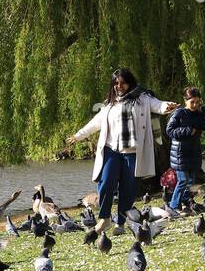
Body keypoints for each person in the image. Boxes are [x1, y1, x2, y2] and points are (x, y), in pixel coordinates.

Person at [66, 68, 179, 233]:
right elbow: (96, 122)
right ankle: (104, 218)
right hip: (112, 150)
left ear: (130, 82)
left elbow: (158, 105)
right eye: (115, 83)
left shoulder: (143, 98)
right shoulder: (110, 103)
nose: (119, 86)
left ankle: (120, 222)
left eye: (122, 83)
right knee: (105, 183)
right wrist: (78, 136)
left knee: (128, 188)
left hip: (133, 152)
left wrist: (167, 106)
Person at [165, 87, 205, 214]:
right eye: (192, 102)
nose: (195, 105)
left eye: (197, 102)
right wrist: (187, 130)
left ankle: (187, 202)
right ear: (185, 101)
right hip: (180, 153)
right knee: (183, 180)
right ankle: (173, 206)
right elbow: (169, 131)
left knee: (191, 182)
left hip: (194, 153)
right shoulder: (179, 113)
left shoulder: (199, 114)